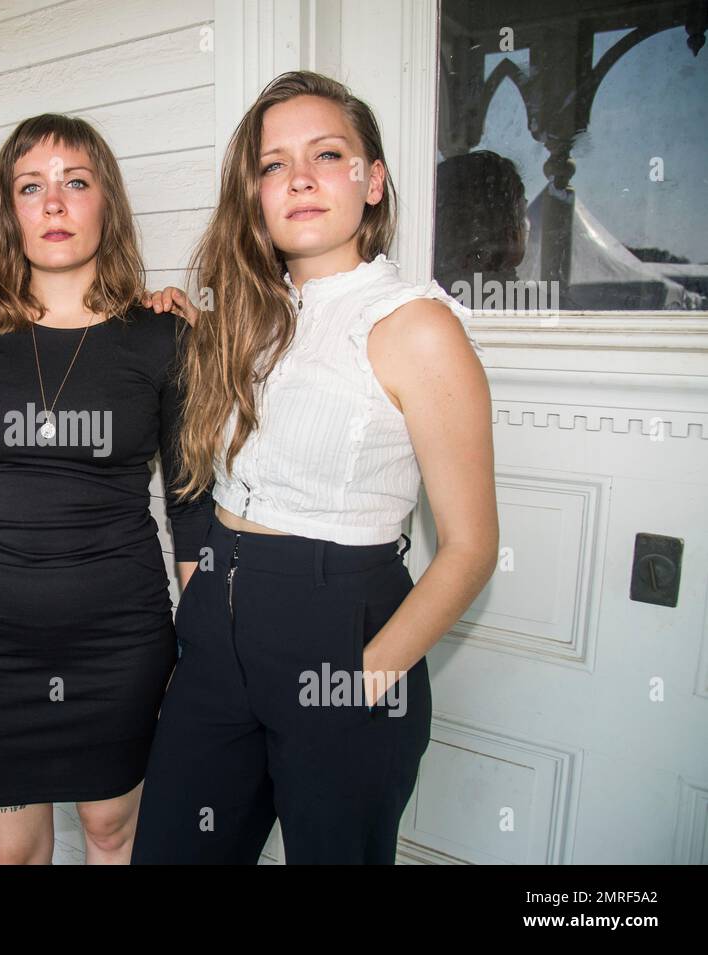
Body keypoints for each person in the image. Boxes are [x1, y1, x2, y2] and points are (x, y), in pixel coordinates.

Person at [133, 70, 498, 864]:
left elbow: (471, 548)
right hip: (215, 633)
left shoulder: (416, 326)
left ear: (372, 182)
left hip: (340, 635)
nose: (297, 177)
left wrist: (364, 681)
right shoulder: (248, 319)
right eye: (273, 164)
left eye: (326, 155)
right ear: (256, 195)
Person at [0, 114, 211, 864]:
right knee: (14, 856)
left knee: (111, 836)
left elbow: (190, 503)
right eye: (32, 186)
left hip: (119, 642)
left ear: (106, 206)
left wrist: (209, 642)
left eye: (75, 182)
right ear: (8, 209)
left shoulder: (163, 336)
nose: (54, 204)